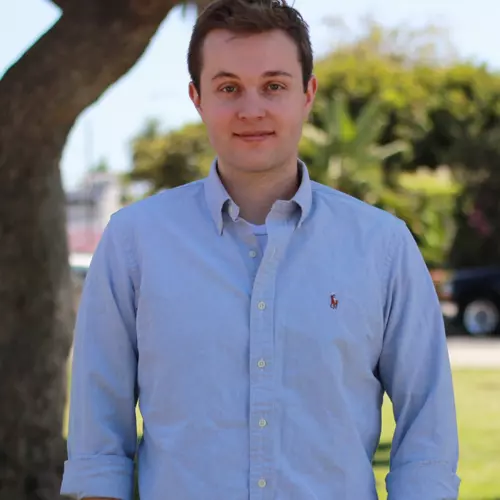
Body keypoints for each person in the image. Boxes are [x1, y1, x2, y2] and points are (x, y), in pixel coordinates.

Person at [61, 0, 461, 498]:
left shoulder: (382, 246)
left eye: (274, 85)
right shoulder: (132, 243)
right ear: (197, 98)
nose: (252, 109)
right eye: (228, 88)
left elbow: (428, 438)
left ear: (307, 94)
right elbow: (99, 446)